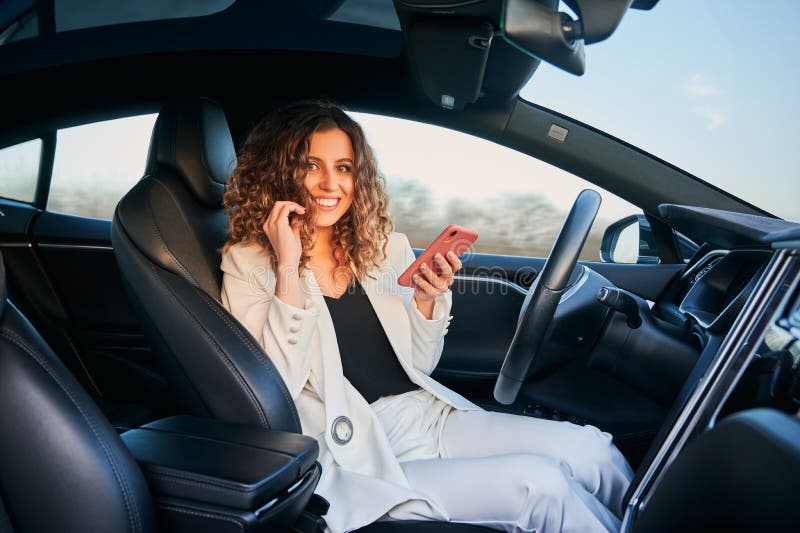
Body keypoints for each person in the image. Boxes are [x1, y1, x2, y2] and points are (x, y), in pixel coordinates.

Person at [219, 101, 633, 533]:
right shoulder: (249, 264)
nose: (330, 183)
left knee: (594, 451)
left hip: (429, 415)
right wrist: (288, 266)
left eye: (343, 168)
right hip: (360, 449)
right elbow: (273, 390)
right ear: (281, 171)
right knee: (542, 487)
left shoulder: (382, 248)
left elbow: (419, 364)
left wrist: (426, 302)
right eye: (311, 165)